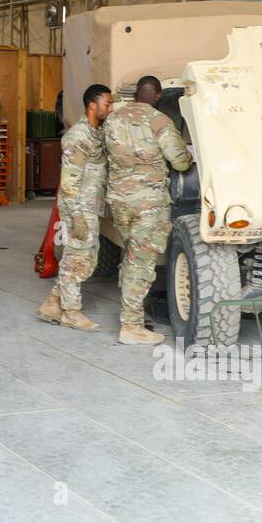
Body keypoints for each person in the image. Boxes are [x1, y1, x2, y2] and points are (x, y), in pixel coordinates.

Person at [103, 75, 192, 345]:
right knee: (140, 261)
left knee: (131, 254)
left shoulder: (113, 118)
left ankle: (132, 312)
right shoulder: (159, 121)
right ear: (156, 96)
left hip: (119, 199)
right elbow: (179, 162)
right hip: (147, 203)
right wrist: (186, 157)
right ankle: (131, 325)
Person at [38, 83, 111, 331]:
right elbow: (69, 183)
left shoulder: (96, 133)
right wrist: (77, 216)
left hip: (91, 207)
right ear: (92, 105)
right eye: (107, 104)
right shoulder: (77, 137)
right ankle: (71, 312)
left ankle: (52, 302)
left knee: (87, 258)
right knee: (76, 259)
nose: (109, 108)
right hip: (78, 208)